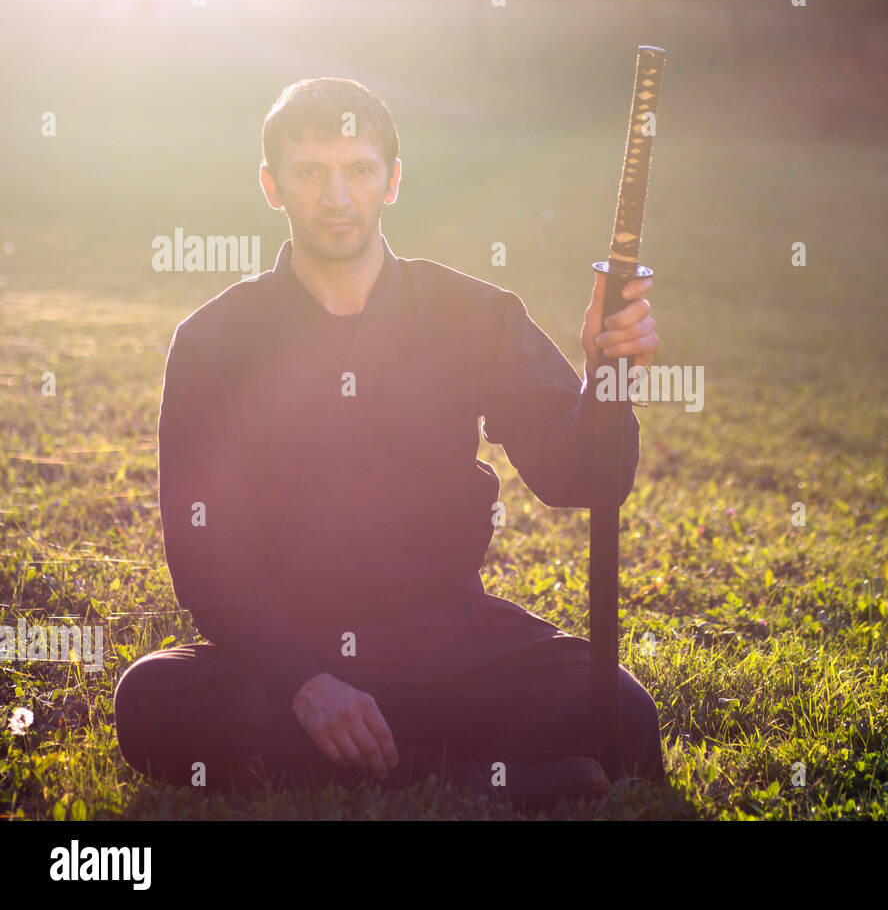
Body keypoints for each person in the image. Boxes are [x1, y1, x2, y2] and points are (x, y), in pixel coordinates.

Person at [113, 77, 664, 809]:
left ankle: (394, 757)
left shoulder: (476, 315)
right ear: (272, 186)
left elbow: (583, 479)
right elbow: (201, 556)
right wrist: (306, 682)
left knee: (619, 715)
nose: (336, 196)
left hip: (448, 634)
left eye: (359, 170)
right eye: (310, 172)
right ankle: (466, 776)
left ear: (393, 181)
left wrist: (606, 378)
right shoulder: (213, 341)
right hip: (293, 647)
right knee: (151, 700)